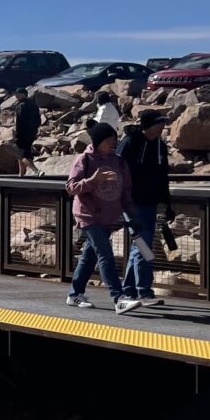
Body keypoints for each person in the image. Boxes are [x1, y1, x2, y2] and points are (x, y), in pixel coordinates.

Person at [67, 121, 139, 313]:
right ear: (98, 141)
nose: (112, 143)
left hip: (108, 217)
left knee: (88, 257)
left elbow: (125, 190)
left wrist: (130, 213)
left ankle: (74, 294)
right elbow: (71, 187)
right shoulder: (84, 160)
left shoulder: (119, 162)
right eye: (108, 140)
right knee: (105, 254)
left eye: (114, 140)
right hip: (88, 215)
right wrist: (92, 181)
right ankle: (119, 298)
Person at [117, 109, 172, 307]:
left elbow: (163, 176)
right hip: (132, 203)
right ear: (147, 125)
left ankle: (129, 290)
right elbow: (117, 169)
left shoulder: (160, 147)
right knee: (143, 246)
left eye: (163, 123)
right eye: (158, 123)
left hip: (150, 203)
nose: (162, 127)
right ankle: (144, 291)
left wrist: (167, 203)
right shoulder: (130, 142)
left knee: (139, 246)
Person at [12, 89, 41, 175]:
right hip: (32, 132)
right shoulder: (33, 104)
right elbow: (38, 119)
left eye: (18, 94)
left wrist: (17, 134)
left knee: (21, 155)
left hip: (22, 133)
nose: (16, 96)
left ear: (24, 94)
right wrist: (35, 130)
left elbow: (19, 122)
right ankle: (21, 173)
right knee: (25, 152)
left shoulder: (21, 105)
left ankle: (36, 171)